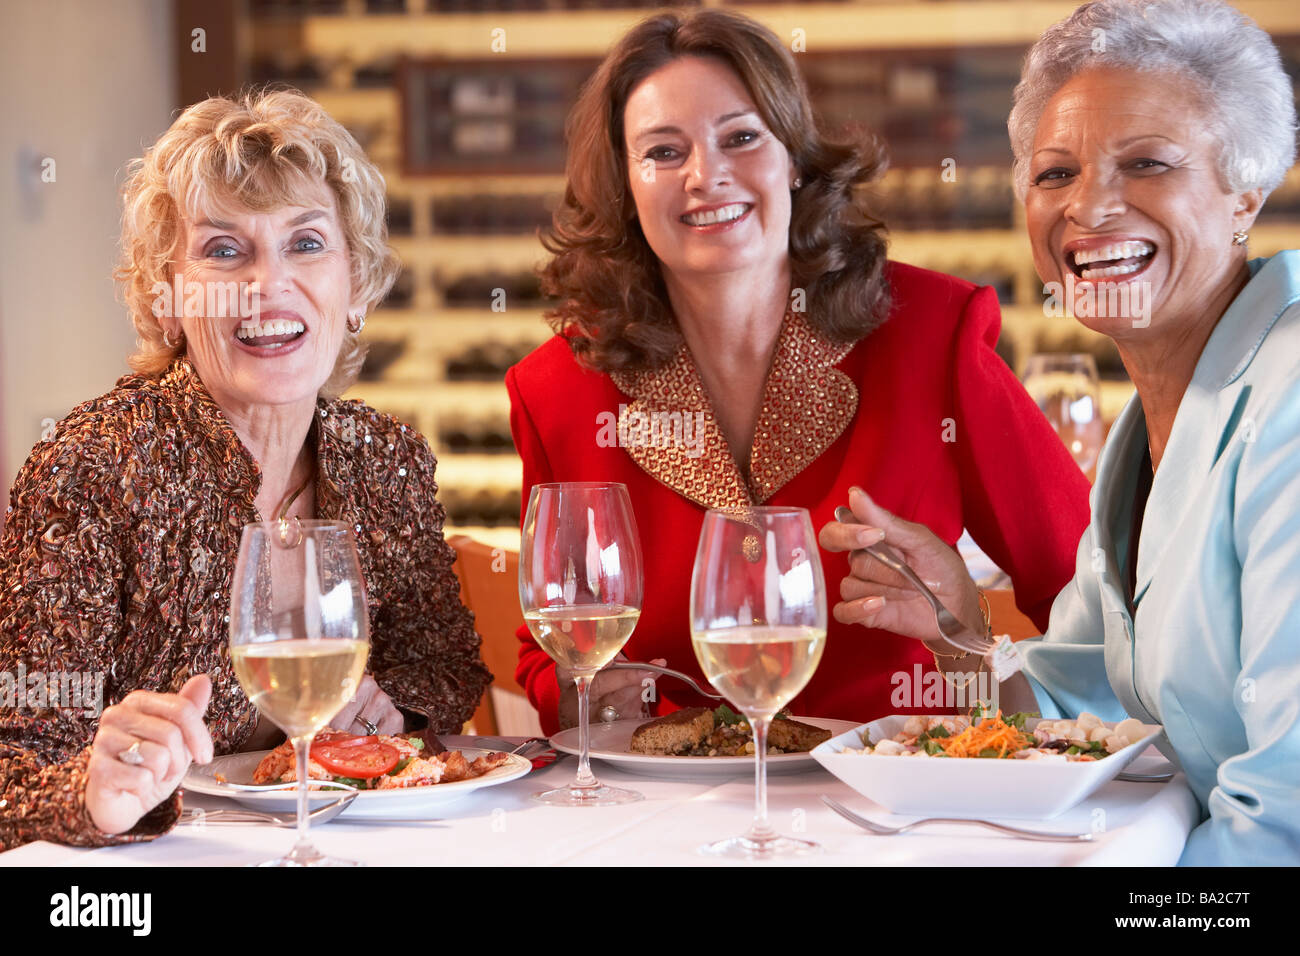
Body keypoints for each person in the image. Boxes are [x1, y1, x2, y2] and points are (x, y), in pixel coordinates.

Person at [508, 8, 1092, 735]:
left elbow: (1094, 598)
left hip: (895, 803)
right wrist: (581, 693)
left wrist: (966, 635)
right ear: (625, 186)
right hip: (672, 816)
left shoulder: (931, 334)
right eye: (663, 152)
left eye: (741, 137)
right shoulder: (557, 388)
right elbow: (547, 646)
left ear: (793, 159)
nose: (705, 175)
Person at [823, 0, 1300, 866]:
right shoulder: (1147, 428)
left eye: (1147, 163)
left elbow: (1286, 815)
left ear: (1247, 194)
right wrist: (957, 631)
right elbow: (1066, 713)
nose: (1089, 206)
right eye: (1054, 174)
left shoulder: (1292, 402)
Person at [0, 89, 491, 850]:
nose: (268, 285)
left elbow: (442, 666)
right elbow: (12, 762)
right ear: (166, 299)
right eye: (224, 250)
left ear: (354, 284)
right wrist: (91, 789)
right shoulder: (93, 468)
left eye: (306, 243)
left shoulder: (384, 459)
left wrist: (395, 710)